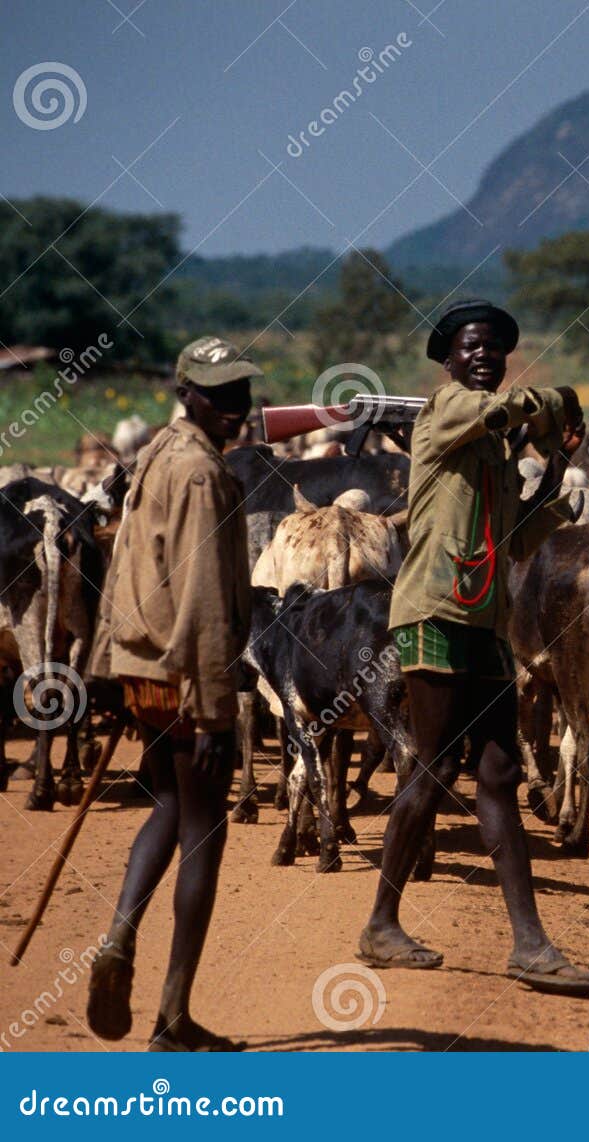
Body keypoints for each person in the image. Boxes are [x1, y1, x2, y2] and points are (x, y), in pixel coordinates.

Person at [357, 299, 589, 996]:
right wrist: (555, 399)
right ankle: (381, 923)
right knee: (433, 769)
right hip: (436, 610)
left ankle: (529, 944)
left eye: (496, 347)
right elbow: (507, 409)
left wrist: (554, 472)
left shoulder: (497, 447)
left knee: (498, 776)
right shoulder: (443, 413)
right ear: (448, 358)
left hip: (486, 622)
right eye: (473, 346)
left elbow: (517, 534)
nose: (485, 355)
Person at [86, 336, 257, 1051]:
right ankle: (173, 1016)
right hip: (185, 676)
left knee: (164, 800)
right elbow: (206, 597)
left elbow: (127, 558)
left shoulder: (157, 451)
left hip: (142, 668)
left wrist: (107, 666)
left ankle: (121, 937)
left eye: (240, 392)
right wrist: (216, 707)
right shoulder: (200, 475)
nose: (234, 407)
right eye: (218, 395)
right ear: (187, 392)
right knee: (205, 832)